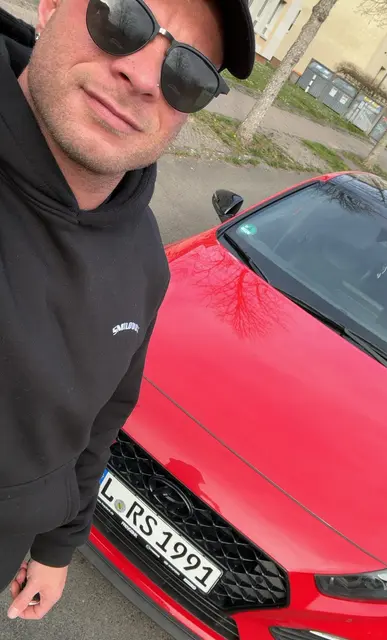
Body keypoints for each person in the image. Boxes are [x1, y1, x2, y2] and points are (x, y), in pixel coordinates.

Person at [0, 0, 254, 621]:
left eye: (187, 73)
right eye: (121, 19)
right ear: (51, 7)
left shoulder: (145, 261)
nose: (142, 76)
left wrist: (57, 546)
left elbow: (102, 418)